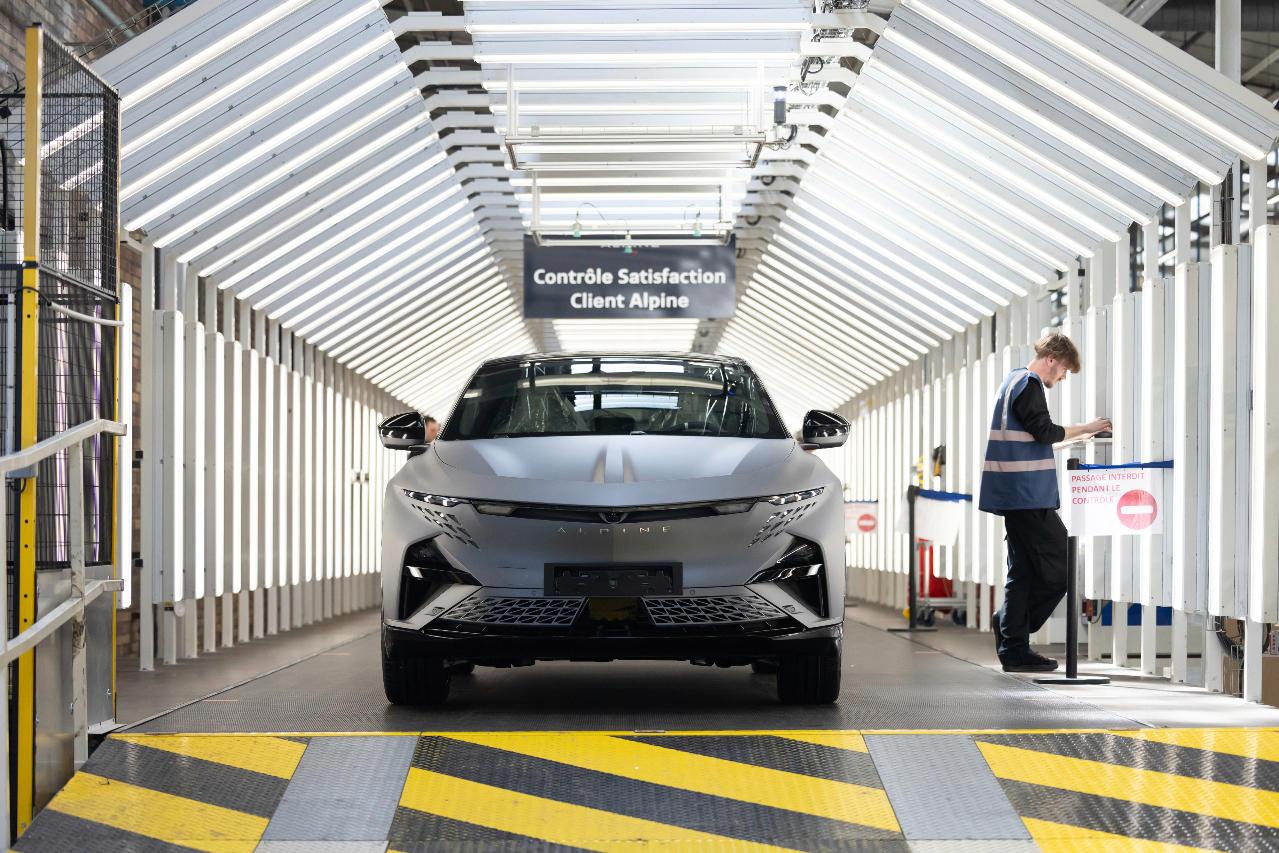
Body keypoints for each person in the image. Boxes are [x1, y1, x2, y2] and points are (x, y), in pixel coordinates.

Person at [979, 332, 1111, 673]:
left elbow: (1030, 437)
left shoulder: (1011, 381)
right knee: (1062, 568)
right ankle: (1011, 628)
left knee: (1022, 572)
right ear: (1051, 358)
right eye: (1064, 369)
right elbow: (1043, 431)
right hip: (1027, 495)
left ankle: (1014, 648)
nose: (1063, 376)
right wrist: (1087, 429)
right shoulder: (1030, 384)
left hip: (1014, 494)